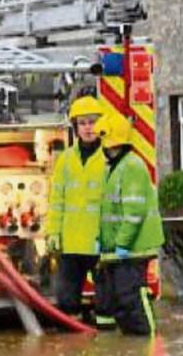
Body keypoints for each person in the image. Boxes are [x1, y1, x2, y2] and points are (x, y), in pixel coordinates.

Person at [93, 111, 165, 335]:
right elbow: (108, 211)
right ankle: (132, 347)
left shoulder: (132, 166)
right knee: (119, 302)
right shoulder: (114, 168)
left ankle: (148, 343)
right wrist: (101, 241)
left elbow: (134, 212)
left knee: (131, 298)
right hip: (117, 251)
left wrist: (122, 243)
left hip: (132, 250)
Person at [45, 95, 105, 318]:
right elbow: (57, 199)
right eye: (83, 123)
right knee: (67, 301)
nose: (88, 128)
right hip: (71, 244)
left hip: (101, 243)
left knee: (106, 303)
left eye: (93, 121)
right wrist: (53, 232)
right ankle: (73, 348)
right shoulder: (66, 160)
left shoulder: (109, 157)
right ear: (76, 127)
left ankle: (105, 342)